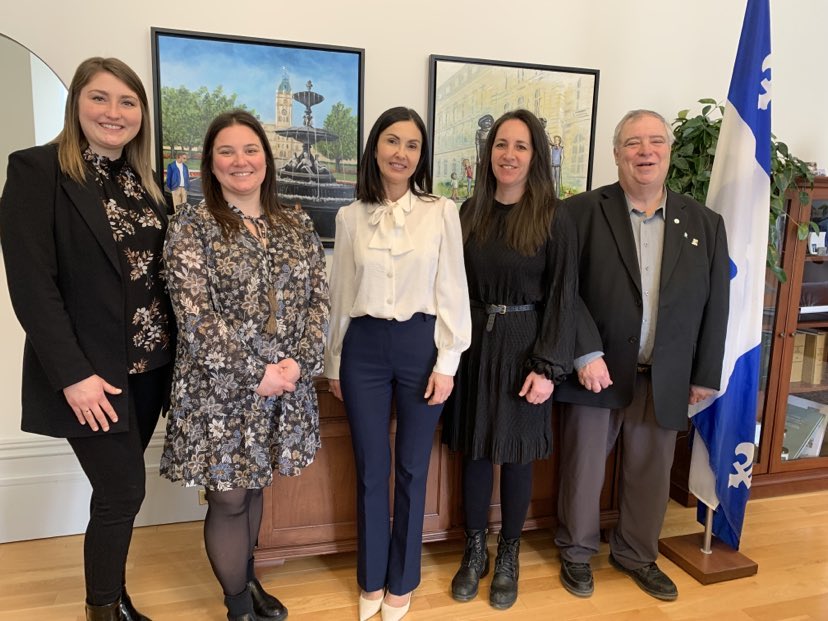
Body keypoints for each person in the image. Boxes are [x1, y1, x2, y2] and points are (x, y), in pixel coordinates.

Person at [0, 57, 174, 621]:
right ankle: (103, 609)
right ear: (76, 102)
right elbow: (32, 287)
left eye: (127, 101)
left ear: (141, 114)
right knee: (123, 490)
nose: (113, 112)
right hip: (91, 374)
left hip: (149, 370)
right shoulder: (36, 170)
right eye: (100, 97)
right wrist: (73, 376)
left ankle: (111, 597)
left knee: (117, 493)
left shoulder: (149, 183)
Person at [554, 110, 729, 602]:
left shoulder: (705, 223)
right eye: (633, 143)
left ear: (669, 151)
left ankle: (635, 554)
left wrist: (705, 372)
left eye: (655, 141)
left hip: (666, 372)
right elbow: (565, 291)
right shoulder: (579, 213)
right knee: (583, 469)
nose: (645, 151)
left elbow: (716, 304)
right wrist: (584, 352)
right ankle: (576, 552)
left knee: (652, 473)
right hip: (596, 371)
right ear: (616, 153)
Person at [160, 110, 328, 621]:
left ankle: (248, 580)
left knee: (256, 484)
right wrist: (256, 374)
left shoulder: (296, 224)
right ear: (210, 163)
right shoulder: (192, 226)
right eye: (227, 151)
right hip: (220, 390)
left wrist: (299, 364)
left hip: (285, 384)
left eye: (251, 149)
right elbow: (195, 317)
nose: (241, 161)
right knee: (229, 498)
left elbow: (319, 302)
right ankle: (237, 608)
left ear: (266, 159)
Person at [325, 106, 470, 621]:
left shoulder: (441, 211)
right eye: (392, 141)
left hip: (419, 346)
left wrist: (447, 362)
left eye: (412, 145)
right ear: (375, 148)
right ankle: (371, 578)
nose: (401, 153)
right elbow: (341, 294)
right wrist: (333, 363)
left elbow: (452, 289)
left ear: (421, 155)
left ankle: (402, 580)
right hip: (363, 349)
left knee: (412, 466)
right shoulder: (349, 217)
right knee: (370, 468)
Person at [442, 109, 577, 610]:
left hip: (526, 348)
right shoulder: (468, 212)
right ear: (489, 152)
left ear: (535, 155)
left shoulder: (553, 217)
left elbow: (563, 296)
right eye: (501, 144)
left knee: (517, 456)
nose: (509, 154)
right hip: (475, 345)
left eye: (521, 146)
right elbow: (449, 287)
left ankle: (510, 553)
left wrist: (548, 367)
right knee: (476, 452)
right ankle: (475, 549)